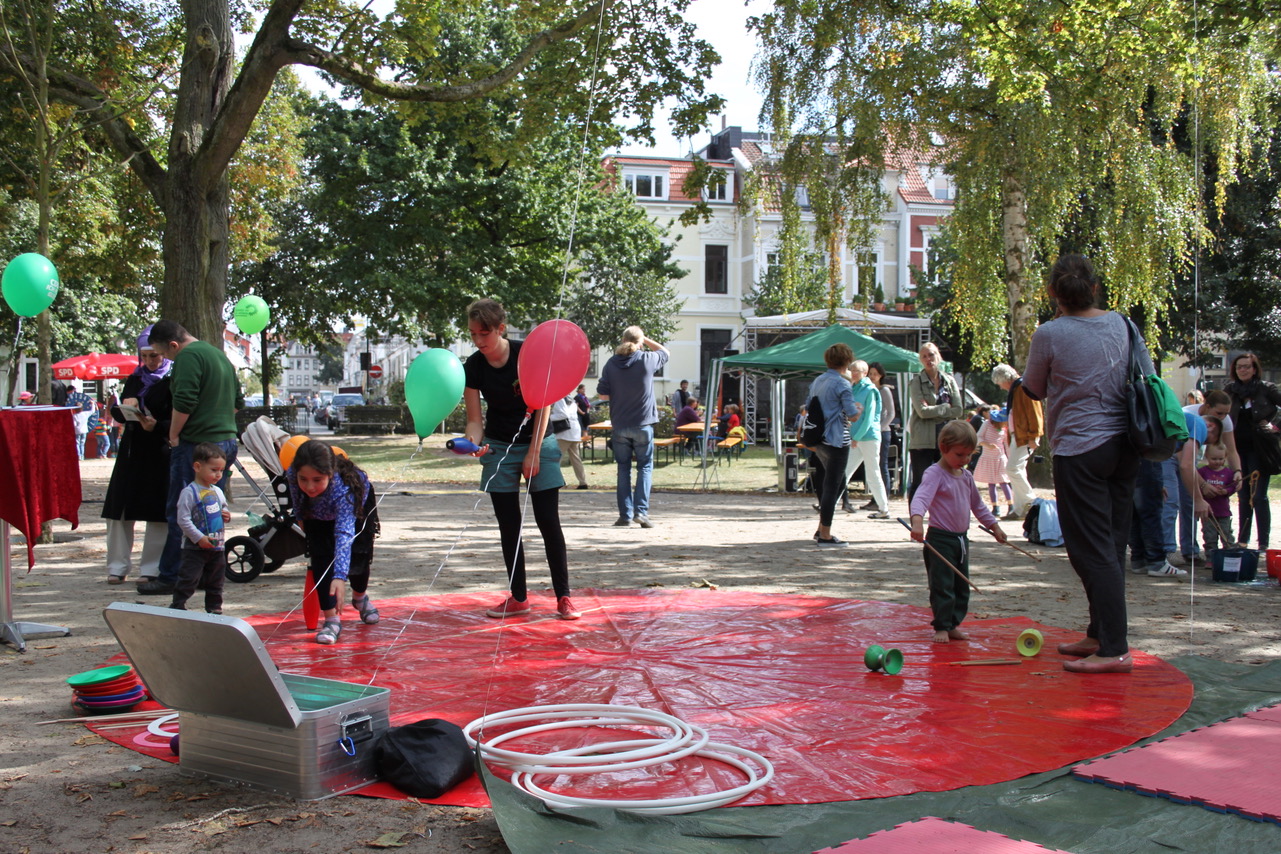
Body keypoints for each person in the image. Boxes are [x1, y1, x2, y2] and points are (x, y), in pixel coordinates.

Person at [1023, 253, 1207, 675]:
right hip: (1126, 446)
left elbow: (1033, 389)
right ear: (1094, 287)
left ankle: (1115, 648)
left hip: (1080, 449)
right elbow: (1146, 375)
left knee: (1092, 549)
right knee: (1111, 542)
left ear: (1053, 292)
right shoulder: (1123, 324)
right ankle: (1100, 633)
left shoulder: (1049, 333)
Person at [462, 299, 579, 620]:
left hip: (540, 439)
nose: (478, 341)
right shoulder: (473, 366)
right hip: (499, 444)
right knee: (509, 525)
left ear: (501, 329)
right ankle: (518, 596)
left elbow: (544, 405)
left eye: (484, 333)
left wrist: (534, 452)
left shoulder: (527, 354)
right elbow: (475, 420)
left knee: (547, 522)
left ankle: (564, 597)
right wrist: (474, 443)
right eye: (473, 334)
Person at [142, 320, 243, 596]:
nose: (165, 359)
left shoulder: (187, 357)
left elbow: (184, 401)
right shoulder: (218, 355)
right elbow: (238, 401)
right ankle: (206, 574)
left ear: (173, 345)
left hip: (197, 442)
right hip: (226, 441)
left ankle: (173, 575)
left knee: (183, 509)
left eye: (164, 353)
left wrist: (174, 435)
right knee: (211, 512)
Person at [909, 420, 1006, 643]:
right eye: (960, 455)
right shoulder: (934, 474)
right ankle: (942, 626)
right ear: (943, 448)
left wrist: (995, 527)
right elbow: (921, 498)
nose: (965, 461)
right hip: (940, 539)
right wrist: (917, 522)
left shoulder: (966, 477)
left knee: (961, 585)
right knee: (942, 585)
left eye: (969, 456)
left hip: (961, 540)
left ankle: (953, 623)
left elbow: (978, 505)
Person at [287, 439, 382, 643]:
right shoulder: (293, 475)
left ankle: (359, 597)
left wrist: (340, 576)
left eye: (317, 479)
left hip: (356, 510)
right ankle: (331, 620)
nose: (309, 486)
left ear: (330, 474)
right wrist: (302, 519)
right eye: (304, 479)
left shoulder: (345, 490)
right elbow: (297, 500)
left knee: (358, 556)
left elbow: (344, 533)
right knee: (321, 558)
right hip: (317, 512)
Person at [102, 331, 173, 587]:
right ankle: (117, 566)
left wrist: (157, 425)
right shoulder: (134, 378)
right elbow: (119, 413)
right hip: (131, 451)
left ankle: (152, 568)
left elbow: (177, 416)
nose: (150, 362)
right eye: (144, 356)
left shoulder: (171, 378)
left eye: (154, 356)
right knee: (118, 510)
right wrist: (122, 408)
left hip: (158, 451)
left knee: (156, 512)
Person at [596, 326, 669, 528]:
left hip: (620, 424)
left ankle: (625, 516)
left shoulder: (611, 363)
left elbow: (602, 395)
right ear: (640, 342)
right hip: (643, 423)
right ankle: (641, 513)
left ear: (622, 340)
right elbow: (665, 352)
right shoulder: (647, 359)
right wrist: (646, 340)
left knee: (623, 469)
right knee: (644, 467)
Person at [1173, 390, 1241, 564]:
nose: (1224, 417)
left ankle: (1192, 552)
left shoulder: (1222, 421)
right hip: (1174, 457)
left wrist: (1237, 472)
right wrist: (1202, 486)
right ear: (1207, 406)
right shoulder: (1192, 417)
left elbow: (1231, 450)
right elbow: (1184, 461)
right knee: (1177, 503)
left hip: (1189, 460)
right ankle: (1168, 551)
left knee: (1192, 501)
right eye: (1220, 413)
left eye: (1227, 413)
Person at [1223, 352, 1281, 551]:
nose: (1243, 370)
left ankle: (1263, 542)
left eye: (1247, 366)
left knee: (1258, 496)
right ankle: (1242, 539)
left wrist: (1274, 425)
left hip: (1261, 448)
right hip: (1237, 449)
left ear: (1254, 369)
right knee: (1242, 494)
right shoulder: (1230, 390)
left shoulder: (1267, 389)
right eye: (1239, 367)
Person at [806, 342, 860, 546]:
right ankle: (825, 535)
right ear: (847, 361)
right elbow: (852, 415)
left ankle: (822, 528)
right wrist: (858, 410)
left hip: (819, 439)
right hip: (837, 439)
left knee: (837, 482)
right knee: (833, 485)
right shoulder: (842, 383)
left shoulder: (818, 380)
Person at [171, 442, 231, 613]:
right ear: (197, 466)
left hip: (217, 546)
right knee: (189, 578)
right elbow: (183, 520)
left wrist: (225, 513)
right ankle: (178, 605)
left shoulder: (218, 492)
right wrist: (198, 538)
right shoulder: (189, 492)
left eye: (221, 471)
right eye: (214, 470)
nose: (218, 475)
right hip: (194, 548)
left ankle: (214, 608)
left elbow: (223, 507)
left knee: (216, 580)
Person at [907, 342, 962, 499]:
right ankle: (916, 520)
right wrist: (945, 407)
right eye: (924, 356)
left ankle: (942, 519)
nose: (928, 359)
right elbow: (923, 412)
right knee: (921, 481)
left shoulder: (949, 381)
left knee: (947, 481)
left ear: (938, 356)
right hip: (922, 441)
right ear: (920, 360)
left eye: (931, 354)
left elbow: (958, 410)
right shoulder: (916, 382)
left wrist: (934, 410)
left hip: (946, 438)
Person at [991, 363, 1044, 519]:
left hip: (1024, 436)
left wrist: (1034, 435)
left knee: (1012, 469)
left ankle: (1030, 502)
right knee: (1018, 470)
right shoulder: (1017, 388)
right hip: (1018, 436)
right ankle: (1021, 509)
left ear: (1004, 379)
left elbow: (1035, 412)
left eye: (999, 383)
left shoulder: (1023, 387)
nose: (1000, 387)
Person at [841, 360, 890, 518]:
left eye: (857, 371)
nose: (853, 373)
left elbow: (869, 418)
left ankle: (883, 509)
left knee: (873, 473)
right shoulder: (853, 389)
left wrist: (856, 437)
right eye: (852, 370)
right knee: (844, 471)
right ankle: (829, 504)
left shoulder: (870, 391)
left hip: (869, 438)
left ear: (864, 373)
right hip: (857, 437)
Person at [1199, 442, 1238, 554]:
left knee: (1227, 535)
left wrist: (1226, 491)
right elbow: (1196, 485)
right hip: (1208, 512)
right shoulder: (1202, 472)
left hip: (1224, 511)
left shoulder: (1228, 473)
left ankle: (1229, 555)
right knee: (1209, 536)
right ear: (1207, 456)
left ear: (1225, 457)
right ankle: (1211, 557)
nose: (1217, 462)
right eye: (1214, 459)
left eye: (1220, 459)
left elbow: (1234, 487)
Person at [975, 407, 1012, 517]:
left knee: (1004, 482)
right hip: (988, 457)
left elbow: (1006, 444)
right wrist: (987, 445)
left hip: (1000, 458)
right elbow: (978, 437)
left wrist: (1010, 458)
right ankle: (995, 507)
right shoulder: (987, 424)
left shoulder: (1004, 429)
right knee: (991, 483)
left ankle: (1011, 505)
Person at [867, 363, 896, 501]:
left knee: (881, 464)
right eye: (870, 374)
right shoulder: (868, 389)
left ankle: (883, 498)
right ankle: (876, 498)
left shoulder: (884, 390)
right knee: (873, 466)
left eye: (875, 374)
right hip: (870, 432)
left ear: (881, 375)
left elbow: (891, 413)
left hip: (882, 432)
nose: (872, 377)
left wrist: (879, 428)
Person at [551, 394, 589, 489]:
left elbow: (563, 414)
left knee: (556, 458)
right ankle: (582, 482)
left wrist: (548, 417)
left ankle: (556, 482)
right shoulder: (570, 399)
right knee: (576, 458)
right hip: (574, 430)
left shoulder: (559, 398)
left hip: (565, 432)